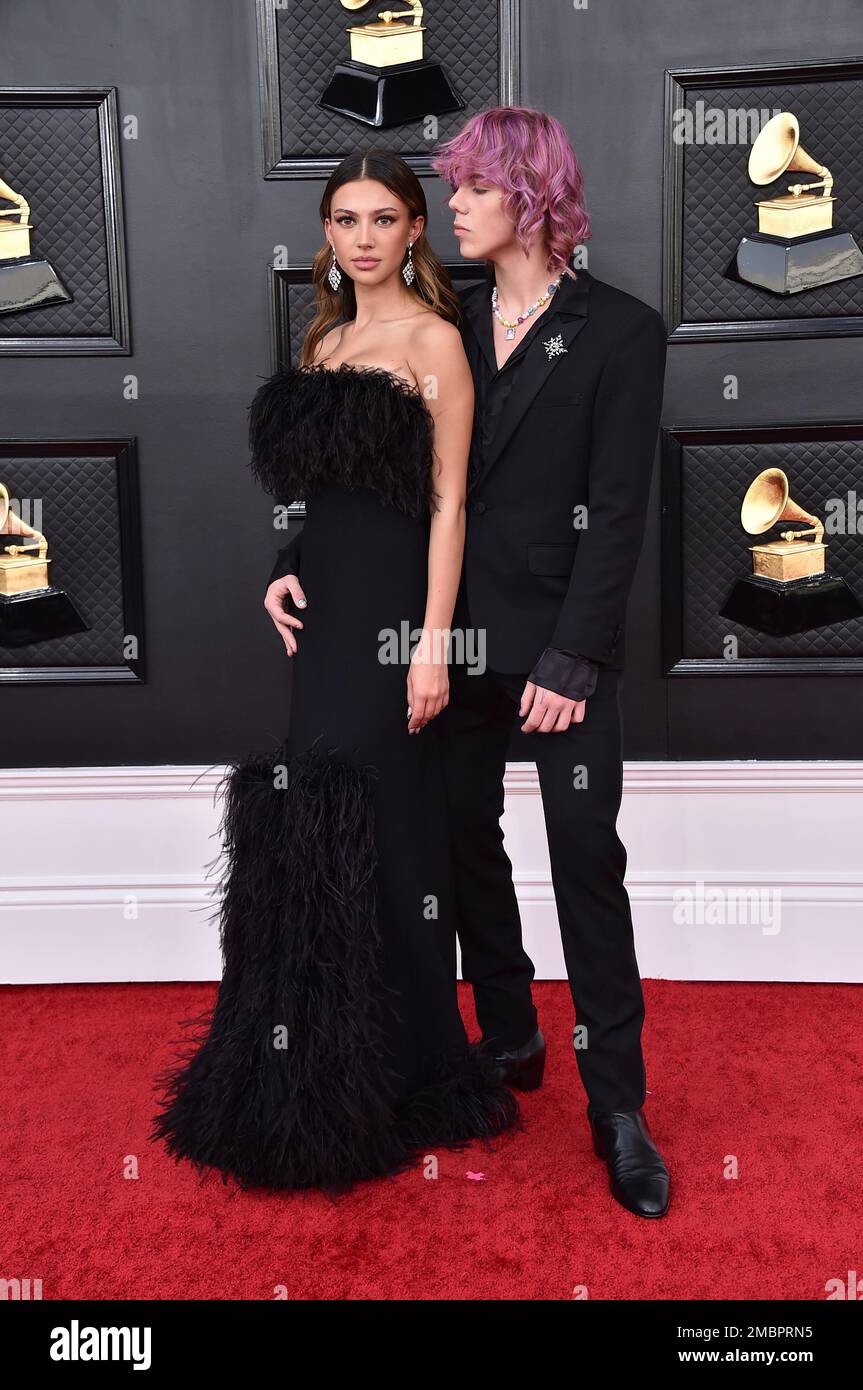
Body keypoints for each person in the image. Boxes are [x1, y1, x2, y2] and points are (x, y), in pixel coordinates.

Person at [267, 107, 671, 1218]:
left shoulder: (621, 332)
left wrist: (573, 657)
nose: (451, 208)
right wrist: (297, 555)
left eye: (469, 190)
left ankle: (619, 1106)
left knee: (583, 857)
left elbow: (621, 512)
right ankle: (507, 1030)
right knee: (456, 842)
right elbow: (387, 472)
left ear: (527, 195)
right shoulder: (453, 312)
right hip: (438, 636)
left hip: (555, 646)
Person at [150, 150, 520, 1194]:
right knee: (316, 828)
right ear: (328, 234)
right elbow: (321, 497)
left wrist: (434, 643)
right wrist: (281, 569)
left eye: (384, 218)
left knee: (390, 836)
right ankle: (311, 1061)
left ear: (415, 232)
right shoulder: (322, 339)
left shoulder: (436, 341)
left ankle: (402, 1069)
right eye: (344, 219)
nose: (361, 237)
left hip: (397, 621)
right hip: (322, 623)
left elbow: (447, 505)